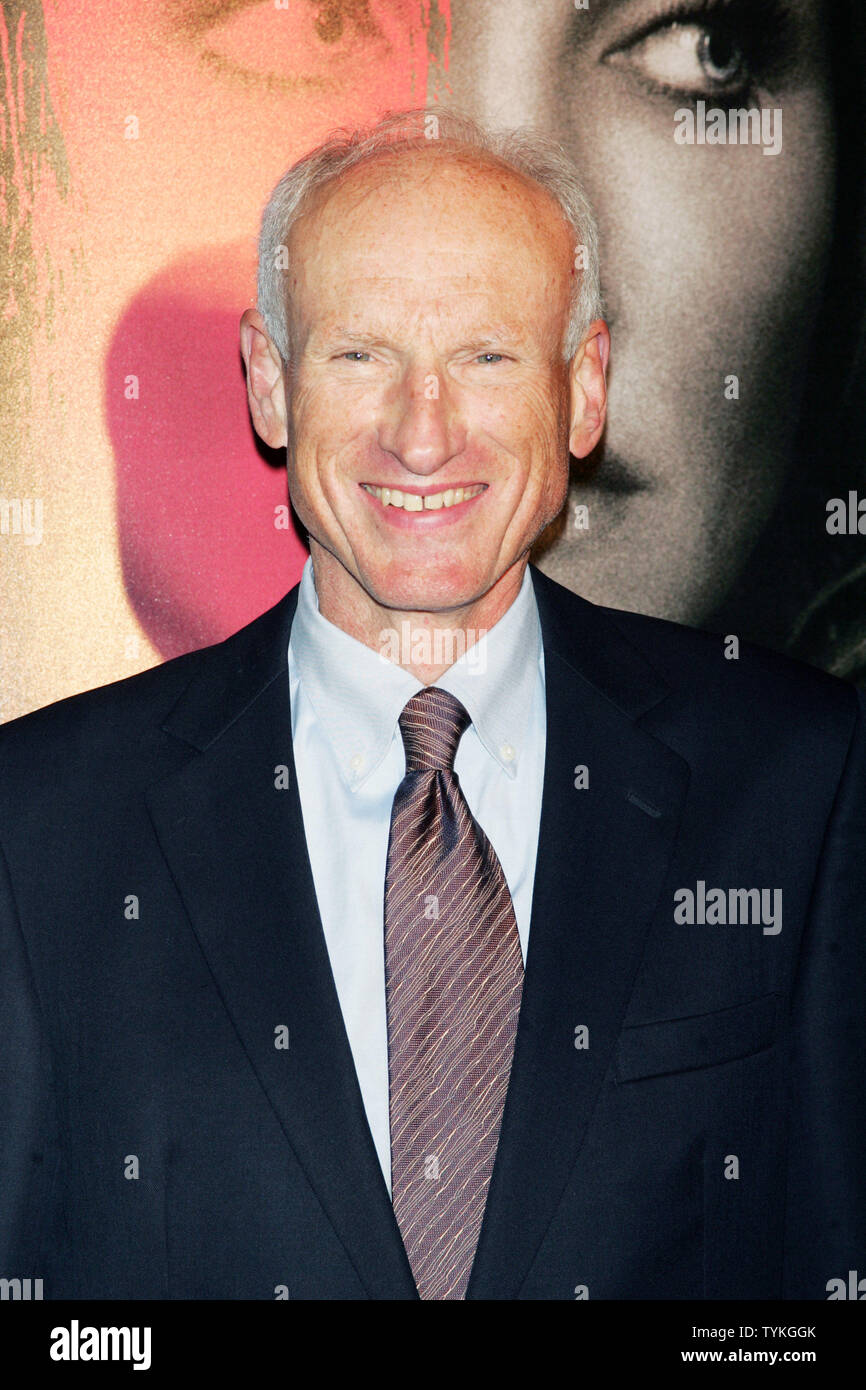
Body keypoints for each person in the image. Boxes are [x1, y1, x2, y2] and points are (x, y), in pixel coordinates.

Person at [0, 109, 863, 1301]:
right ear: (268, 383)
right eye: (359, 354)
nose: (422, 433)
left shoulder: (797, 784)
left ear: (582, 391)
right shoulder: (39, 821)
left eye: (486, 356)